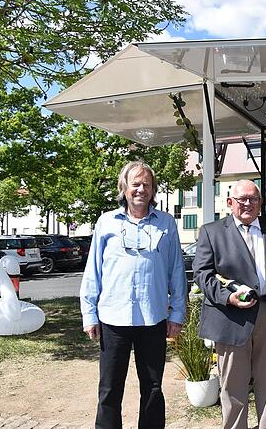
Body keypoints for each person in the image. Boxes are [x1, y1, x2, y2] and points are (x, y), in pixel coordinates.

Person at [79, 161, 186, 429]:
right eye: (135, 184)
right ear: (124, 188)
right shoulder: (106, 223)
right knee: (109, 389)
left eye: (146, 185)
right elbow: (93, 271)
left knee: (152, 388)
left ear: (153, 190)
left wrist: (177, 314)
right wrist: (89, 313)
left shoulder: (166, 224)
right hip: (113, 319)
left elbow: (176, 271)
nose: (140, 189)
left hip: (153, 318)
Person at [193, 180, 266, 429]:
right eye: (242, 199)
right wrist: (228, 297)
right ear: (230, 203)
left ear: (260, 203)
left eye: (253, 199)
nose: (248, 203)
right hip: (231, 318)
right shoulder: (211, 232)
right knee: (233, 386)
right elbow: (202, 274)